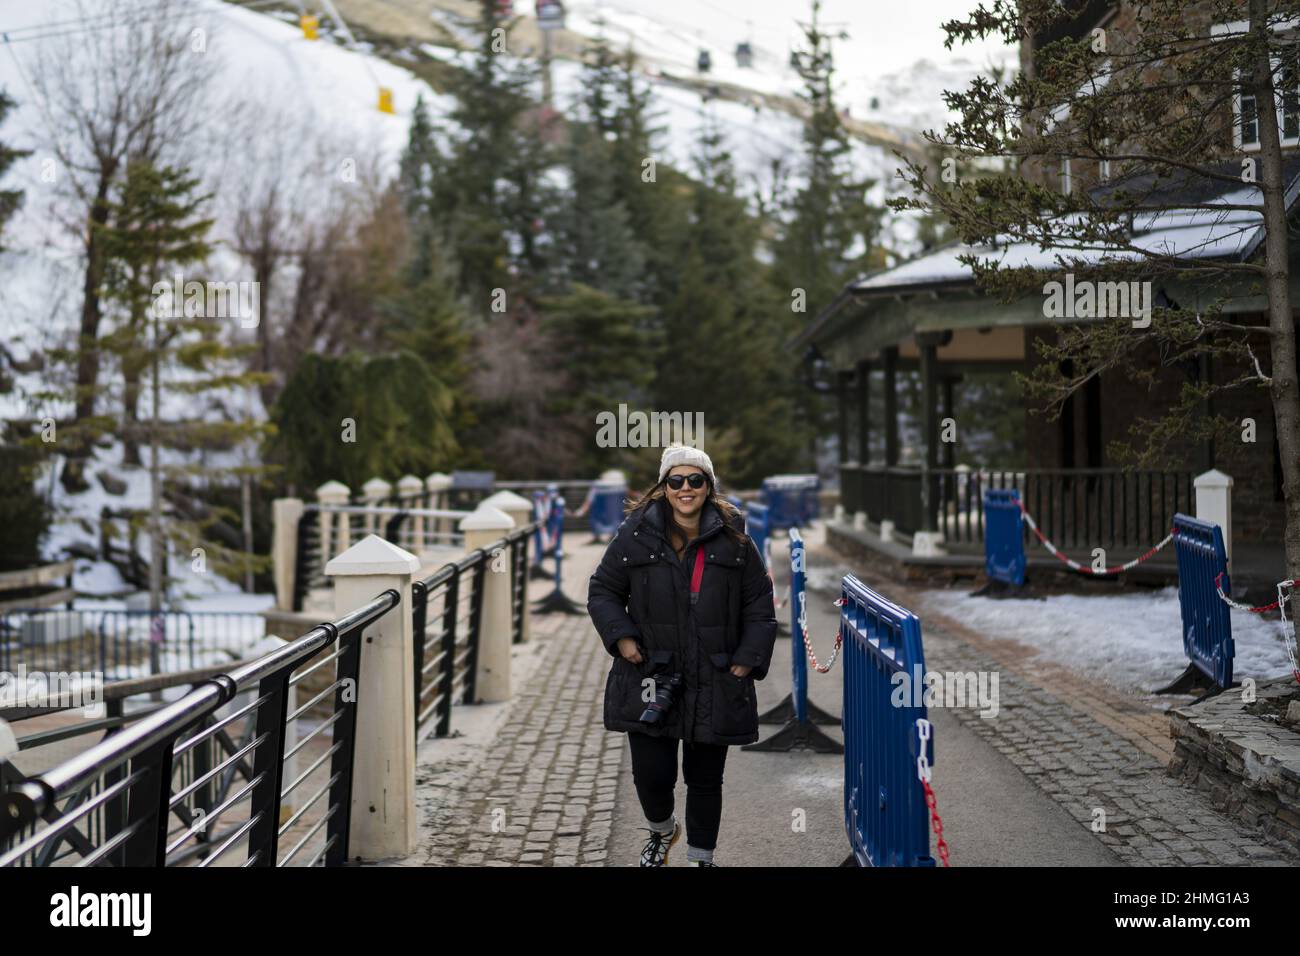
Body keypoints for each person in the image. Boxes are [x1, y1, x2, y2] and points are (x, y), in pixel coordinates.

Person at [586, 443, 777, 866]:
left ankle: (700, 857)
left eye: (695, 479)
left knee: (706, 778)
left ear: (709, 486)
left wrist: (748, 658)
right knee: (652, 774)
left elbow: (760, 605)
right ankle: (661, 830)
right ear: (664, 486)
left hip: (717, 673)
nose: (685, 488)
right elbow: (603, 591)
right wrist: (623, 639)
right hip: (651, 672)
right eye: (676, 480)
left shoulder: (736, 540)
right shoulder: (635, 534)